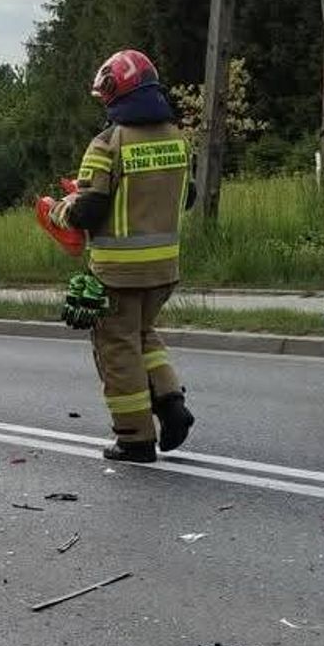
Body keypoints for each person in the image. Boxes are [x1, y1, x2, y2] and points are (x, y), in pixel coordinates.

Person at [47, 50, 196, 463]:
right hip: (165, 269)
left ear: (115, 95)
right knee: (143, 334)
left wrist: (61, 207)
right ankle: (171, 405)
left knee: (116, 348)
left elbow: (89, 209)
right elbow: (190, 195)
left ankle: (135, 438)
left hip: (117, 271)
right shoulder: (178, 138)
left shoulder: (108, 143)